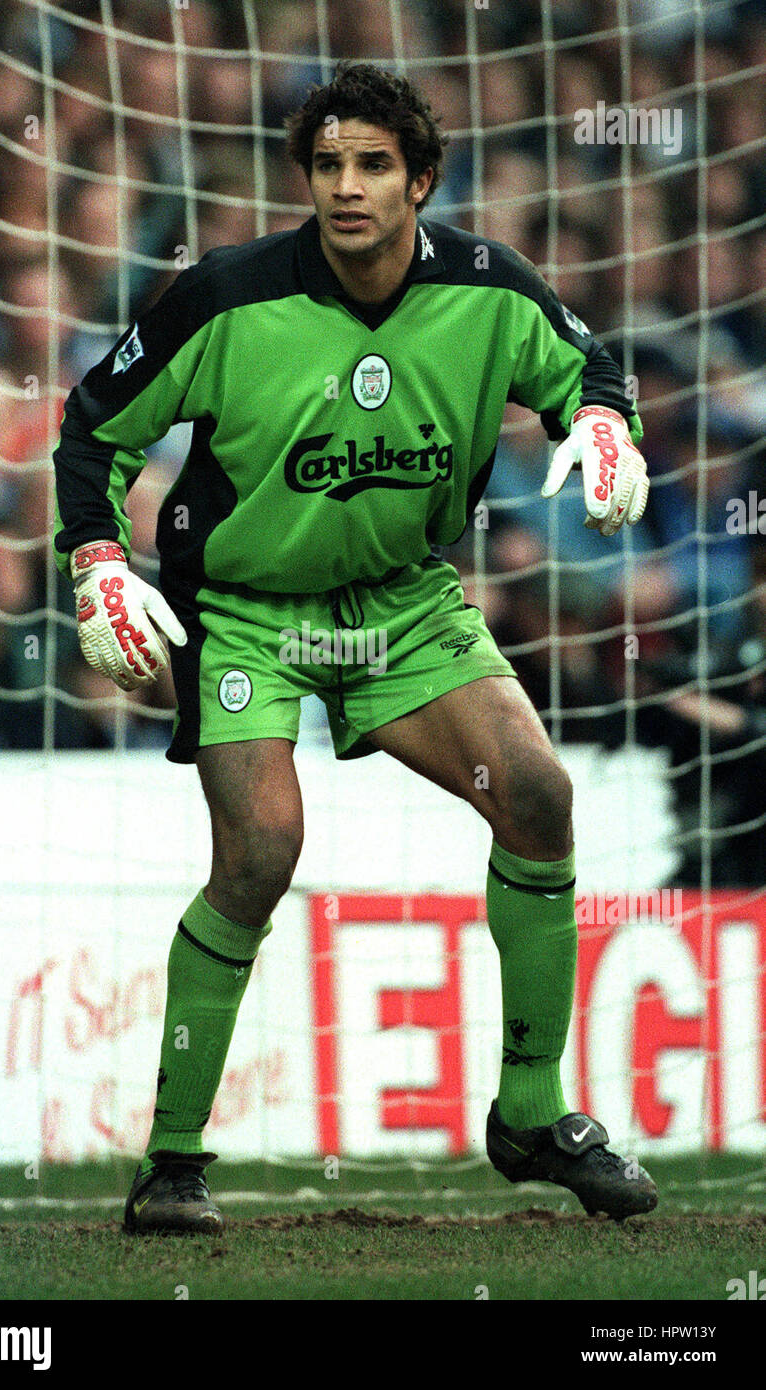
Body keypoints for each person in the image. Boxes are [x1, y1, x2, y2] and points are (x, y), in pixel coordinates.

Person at [52, 62, 655, 1233]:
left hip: (404, 601)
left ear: (420, 179)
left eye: (373, 164)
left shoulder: (488, 289)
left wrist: (600, 419)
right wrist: (95, 560)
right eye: (326, 164)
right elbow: (91, 428)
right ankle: (172, 1164)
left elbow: (590, 363)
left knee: (536, 794)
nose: (346, 187)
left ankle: (529, 1117)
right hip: (243, 609)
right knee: (262, 848)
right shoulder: (222, 297)